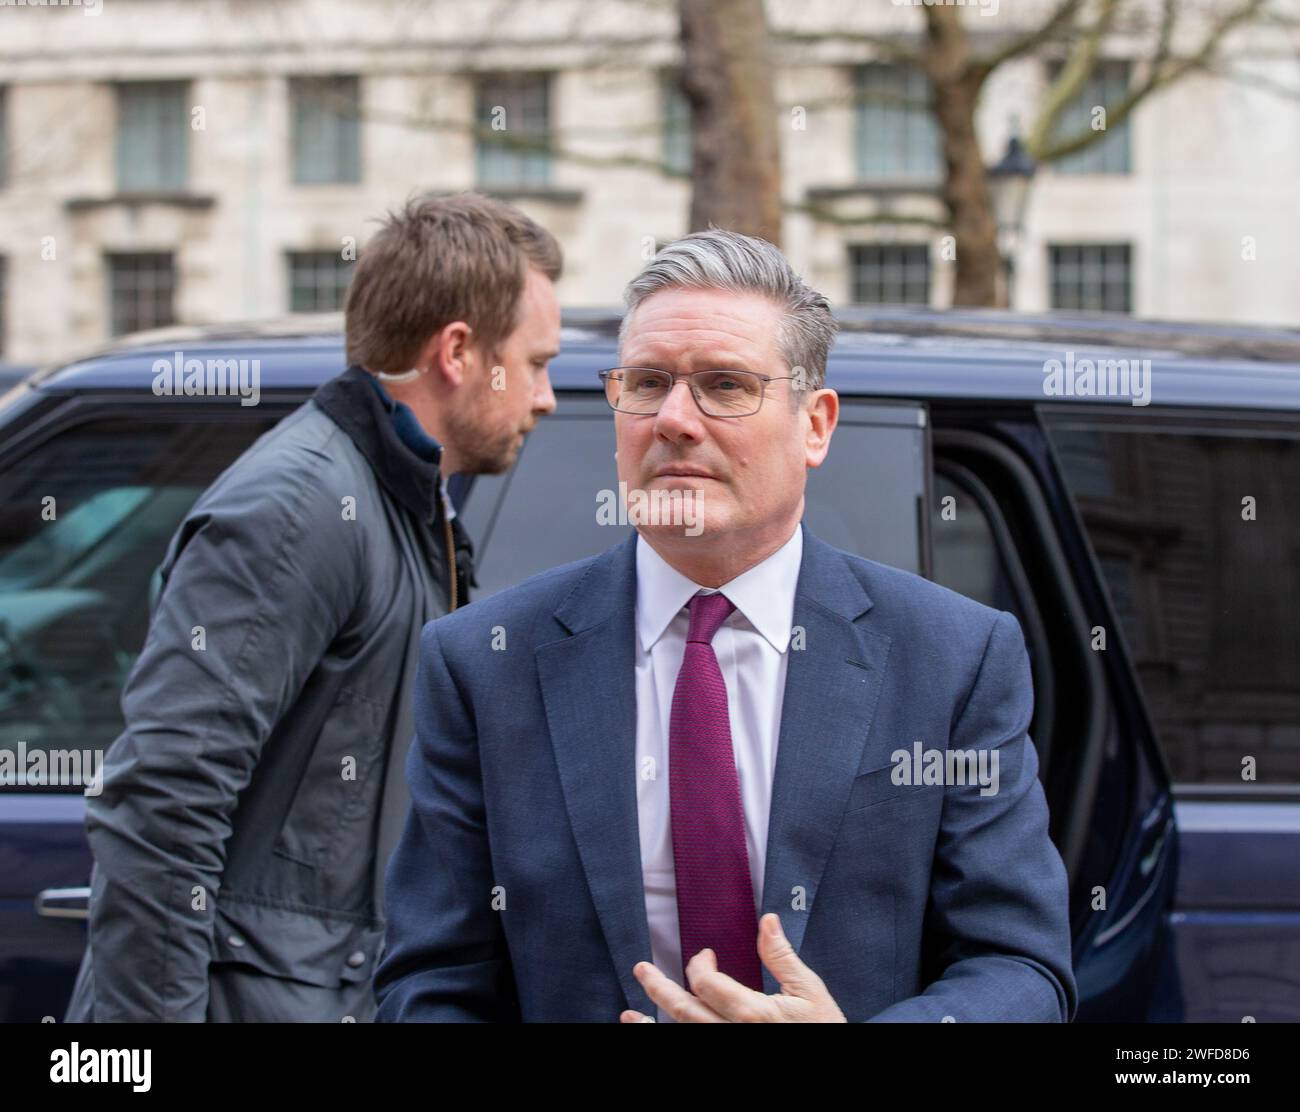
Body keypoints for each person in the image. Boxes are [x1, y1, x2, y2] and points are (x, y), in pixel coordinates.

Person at [374, 228, 1077, 1023]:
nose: (674, 418)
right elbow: (430, 982)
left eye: (724, 385)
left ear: (815, 425)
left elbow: (1020, 968)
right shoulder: (484, 661)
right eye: (646, 382)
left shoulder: (952, 658)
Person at [64, 192, 562, 1022]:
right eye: (536, 362)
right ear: (458, 352)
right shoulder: (298, 510)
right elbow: (161, 800)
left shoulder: (407, 500)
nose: (545, 397)